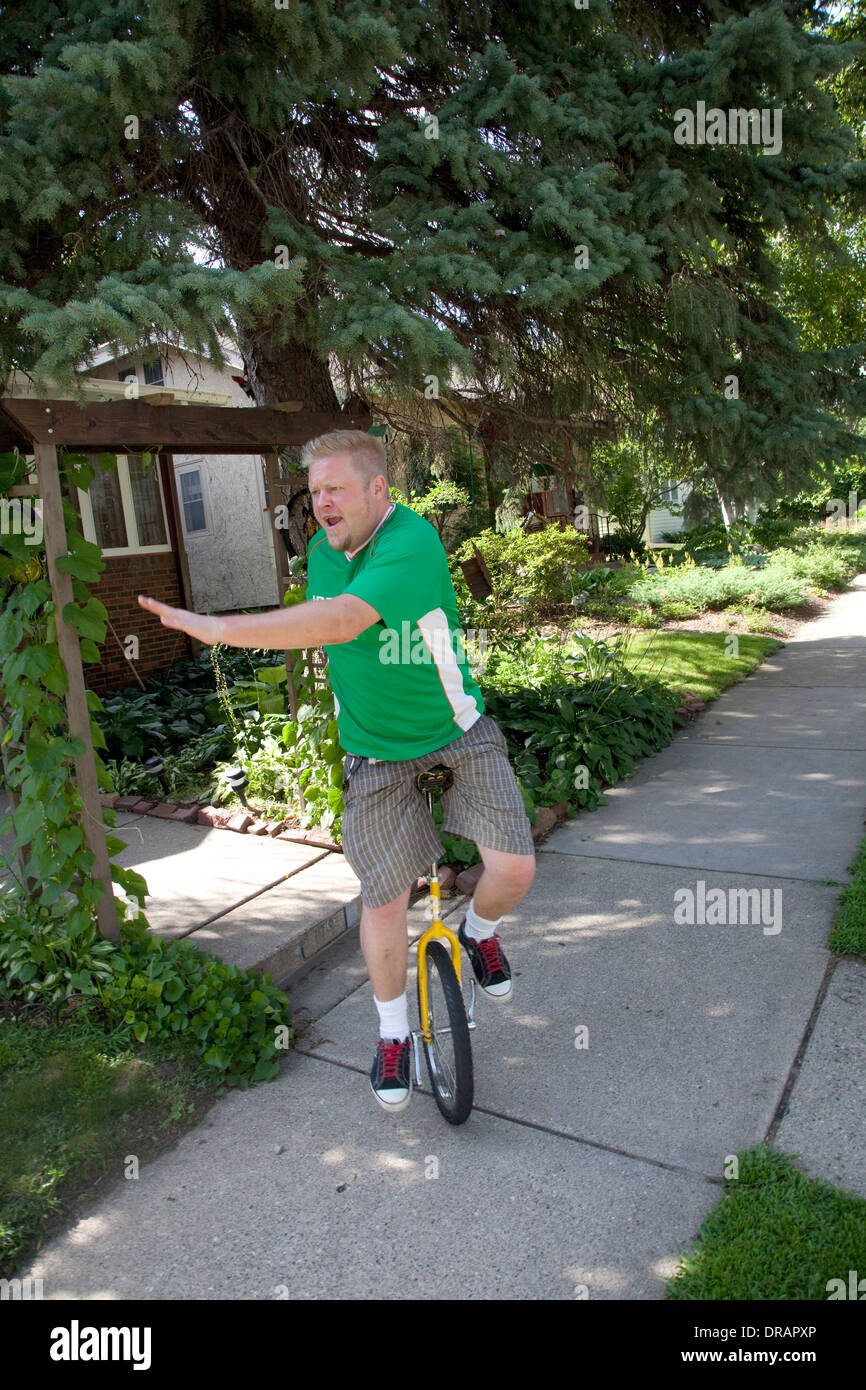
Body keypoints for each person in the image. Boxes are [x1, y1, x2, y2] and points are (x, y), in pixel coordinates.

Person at [137, 429, 535, 1114]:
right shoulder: (323, 555)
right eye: (314, 491)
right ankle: (391, 1038)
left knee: (514, 870)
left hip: (457, 734)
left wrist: (219, 629)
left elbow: (344, 621)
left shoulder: (412, 541)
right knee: (381, 900)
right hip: (373, 753)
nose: (320, 503)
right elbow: (322, 613)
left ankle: (481, 933)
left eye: (335, 489)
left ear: (378, 490)